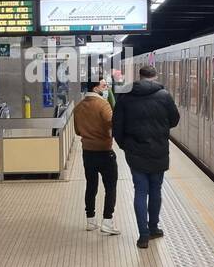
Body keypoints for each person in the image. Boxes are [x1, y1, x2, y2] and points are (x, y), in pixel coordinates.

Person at [111, 65, 180, 249]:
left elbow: (117, 125)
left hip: (135, 152)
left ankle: (143, 236)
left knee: (140, 191)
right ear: (155, 77)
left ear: (139, 77)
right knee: (156, 190)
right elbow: (174, 120)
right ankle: (154, 227)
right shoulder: (164, 96)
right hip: (158, 150)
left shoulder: (126, 97)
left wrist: (124, 145)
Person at [73, 78, 120, 235]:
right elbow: (112, 123)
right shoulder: (103, 105)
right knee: (110, 187)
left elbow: (78, 131)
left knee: (91, 186)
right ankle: (107, 221)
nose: (106, 87)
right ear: (95, 88)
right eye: (103, 85)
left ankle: (90, 221)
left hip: (88, 153)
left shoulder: (79, 107)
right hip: (105, 152)